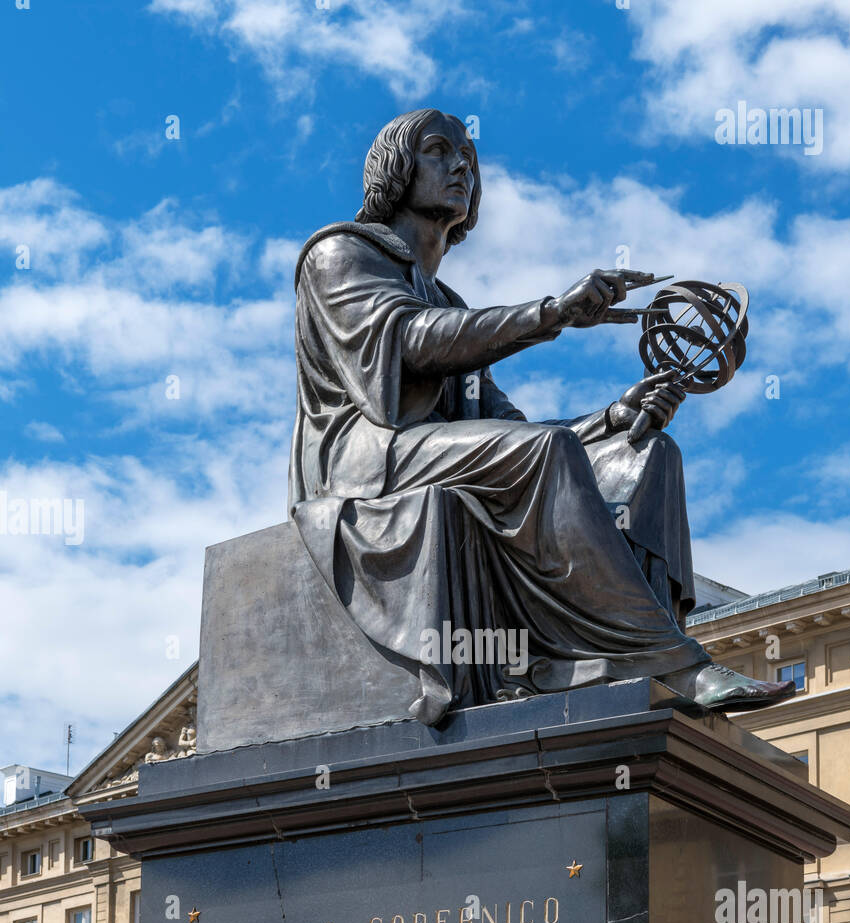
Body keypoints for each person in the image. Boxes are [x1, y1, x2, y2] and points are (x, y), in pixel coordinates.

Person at [289, 108, 794, 724]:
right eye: (439, 151)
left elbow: (516, 430)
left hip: (434, 455)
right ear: (395, 167)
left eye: (470, 160)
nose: (460, 168)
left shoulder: (451, 301)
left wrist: (614, 416)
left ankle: (614, 681)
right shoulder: (340, 252)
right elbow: (412, 341)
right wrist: (550, 313)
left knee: (647, 457)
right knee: (541, 454)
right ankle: (677, 665)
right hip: (366, 459)